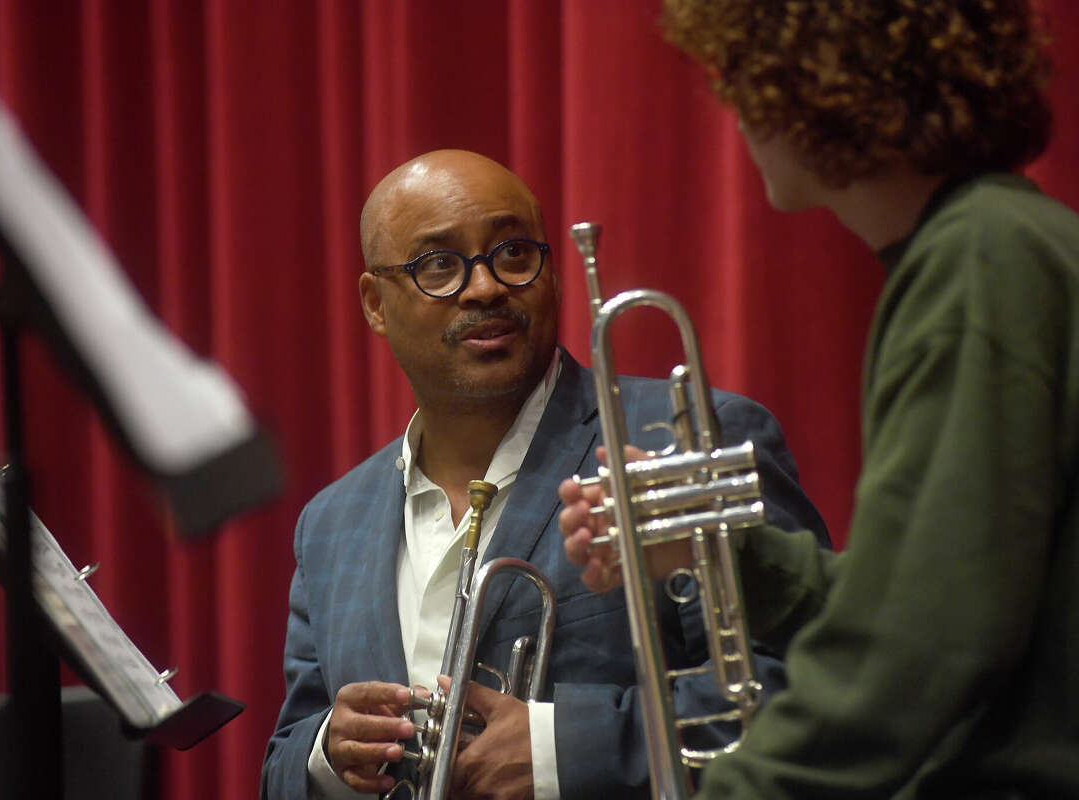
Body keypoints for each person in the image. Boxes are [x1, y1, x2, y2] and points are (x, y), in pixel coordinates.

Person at [560, 1, 1079, 797]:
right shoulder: (989, 243)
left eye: (745, 75)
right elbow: (924, 597)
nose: (733, 109)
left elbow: (914, 653)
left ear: (822, 74)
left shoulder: (980, 261)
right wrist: (720, 558)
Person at [261, 148, 829, 800]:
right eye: (439, 265)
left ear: (553, 274)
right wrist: (329, 752)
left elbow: (807, 688)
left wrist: (566, 750)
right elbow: (285, 756)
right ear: (375, 304)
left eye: (512, 253)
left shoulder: (685, 439)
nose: (484, 287)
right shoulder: (329, 524)